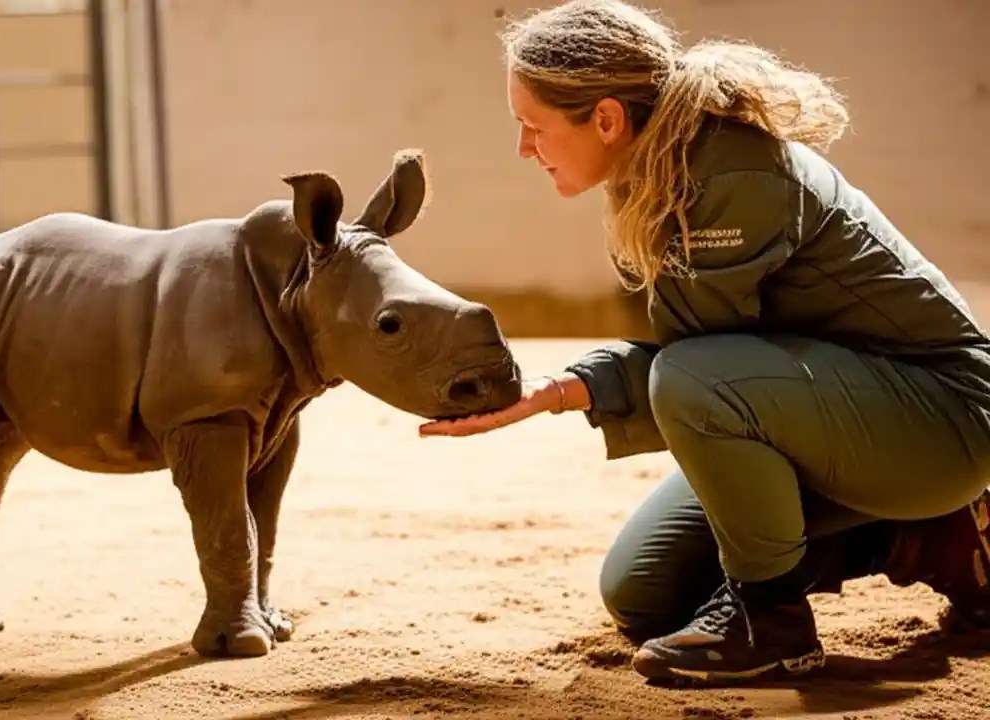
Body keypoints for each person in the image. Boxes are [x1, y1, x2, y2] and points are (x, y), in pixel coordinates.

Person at [418, 0, 990, 686]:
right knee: (645, 590)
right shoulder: (667, 163)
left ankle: (771, 624)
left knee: (694, 381)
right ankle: (944, 539)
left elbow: (702, 376)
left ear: (604, 118)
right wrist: (558, 393)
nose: (524, 149)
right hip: (846, 410)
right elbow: (716, 367)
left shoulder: (728, 175)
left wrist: (571, 392)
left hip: (940, 418)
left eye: (532, 127)